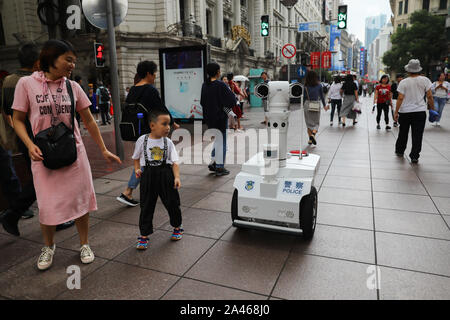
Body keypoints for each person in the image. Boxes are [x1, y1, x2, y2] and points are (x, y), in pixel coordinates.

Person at [12, 39, 121, 271]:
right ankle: (48, 247)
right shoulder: (26, 84)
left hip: (74, 153)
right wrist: (29, 145)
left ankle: (84, 244)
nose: (72, 65)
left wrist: (103, 149)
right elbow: (17, 120)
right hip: (43, 155)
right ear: (51, 58)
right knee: (47, 204)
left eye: (74, 60)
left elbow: (90, 121)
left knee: (81, 201)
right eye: (68, 59)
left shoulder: (73, 87)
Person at [116, 61, 179, 206]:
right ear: (149, 73)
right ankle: (128, 191)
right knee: (147, 160)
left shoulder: (133, 89)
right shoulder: (150, 90)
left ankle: (136, 190)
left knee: (146, 159)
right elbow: (160, 108)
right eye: (154, 73)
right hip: (146, 130)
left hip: (134, 130)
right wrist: (172, 122)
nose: (155, 76)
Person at [0, 42, 38, 236]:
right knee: (42, 178)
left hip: (21, 136)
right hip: (39, 135)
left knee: (37, 175)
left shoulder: (8, 81)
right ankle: (13, 213)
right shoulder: (37, 80)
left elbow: (7, 111)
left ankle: (13, 213)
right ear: (37, 61)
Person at [133, 109, 183, 249]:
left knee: (172, 202)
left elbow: (174, 162)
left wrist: (177, 177)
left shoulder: (168, 142)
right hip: (148, 176)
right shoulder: (142, 140)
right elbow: (136, 158)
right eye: (164, 124)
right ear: (152, 125)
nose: (168, 127)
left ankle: (177, 226)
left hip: (166, 175)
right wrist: (137, 169)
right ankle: (144, 235)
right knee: (146, 205)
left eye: (169, 124)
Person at [393, 59, 435, 164]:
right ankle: (415, 156)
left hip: (405, 112)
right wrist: (432, 109)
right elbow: (429, 96)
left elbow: (400, 98)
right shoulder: (425, 80)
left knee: (403, 132)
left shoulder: (403, 82)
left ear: (408, 70)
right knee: (417, 134)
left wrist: (396, 112)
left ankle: (400, 151)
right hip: (420, 111)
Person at [201, 62, 237, 176]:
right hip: (220, 118)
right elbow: (232, 100)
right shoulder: (220, 85)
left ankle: (213, 162)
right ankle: (220, 167)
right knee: (222, 142)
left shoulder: (204, 85)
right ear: (217, 72)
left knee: (217, 140)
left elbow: (202, 102)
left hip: (210, 119)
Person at [303, 71, 328, 145]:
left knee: (308, 123)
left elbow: (304, 97)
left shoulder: (305, 86)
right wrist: (324, 105)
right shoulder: (319, 85)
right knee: (316, 122)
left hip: (307, 104)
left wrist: (303, 105)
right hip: (316, 104)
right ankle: (313, 135)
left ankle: (310, 139)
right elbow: (322, 97)